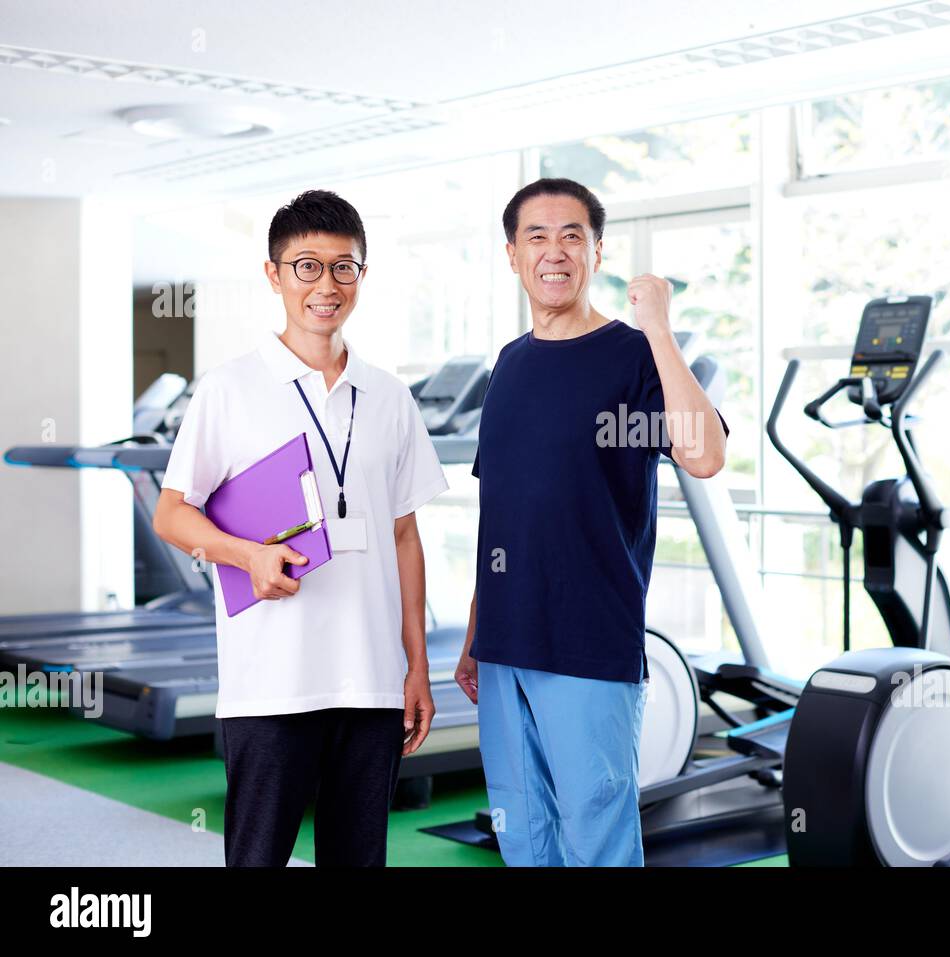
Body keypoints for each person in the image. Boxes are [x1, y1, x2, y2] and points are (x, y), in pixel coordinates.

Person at [153, 189, 448, 866]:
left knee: (359, 859)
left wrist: (416, 667)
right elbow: (171, 513)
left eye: (344, 267)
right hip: (271, 681)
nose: (327, 284)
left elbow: (405, 535)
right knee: (257, 860)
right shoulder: (229, 389)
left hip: (370, 679)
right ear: (274, 275)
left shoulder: (390, 396)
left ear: (362, 277)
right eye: (307, 266)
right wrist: (247, 554)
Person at [454, 178, 728, 866]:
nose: (554, 251)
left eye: (572, 235)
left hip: (587, 644)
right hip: (506, 645)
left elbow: (704, 454)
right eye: (536, 237)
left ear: (596, 252)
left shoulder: (633, 356)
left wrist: (658, 327)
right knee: (522, 836)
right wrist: (475, 629)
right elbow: (502, 515)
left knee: (595, 840)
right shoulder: (510, 365)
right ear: (512, 254)